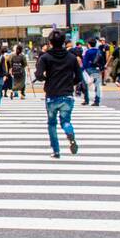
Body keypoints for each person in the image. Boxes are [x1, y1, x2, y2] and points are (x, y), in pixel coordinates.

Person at [35, 30, 83, 159]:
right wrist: (69, 83)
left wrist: (47, 79)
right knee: (65, 121)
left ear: (50, 43)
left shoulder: (45, 57)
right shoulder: (71, 58)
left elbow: (38, 75)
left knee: (51, 123)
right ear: (64, 42)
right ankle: (69, 132)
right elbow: (79, 77)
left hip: (51, 94)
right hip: (67, 94)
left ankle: (56, 151)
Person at [81, 38, 105, 105]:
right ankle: (97, 100)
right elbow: (102, 61)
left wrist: (82, 69)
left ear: (88, 44)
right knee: (97, 85)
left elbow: (85, 62)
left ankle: (86, 100)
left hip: (89, 69)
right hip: (97, 69)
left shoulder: (88, 52)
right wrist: (101, 69)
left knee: (85, 84)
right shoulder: (99, 51)